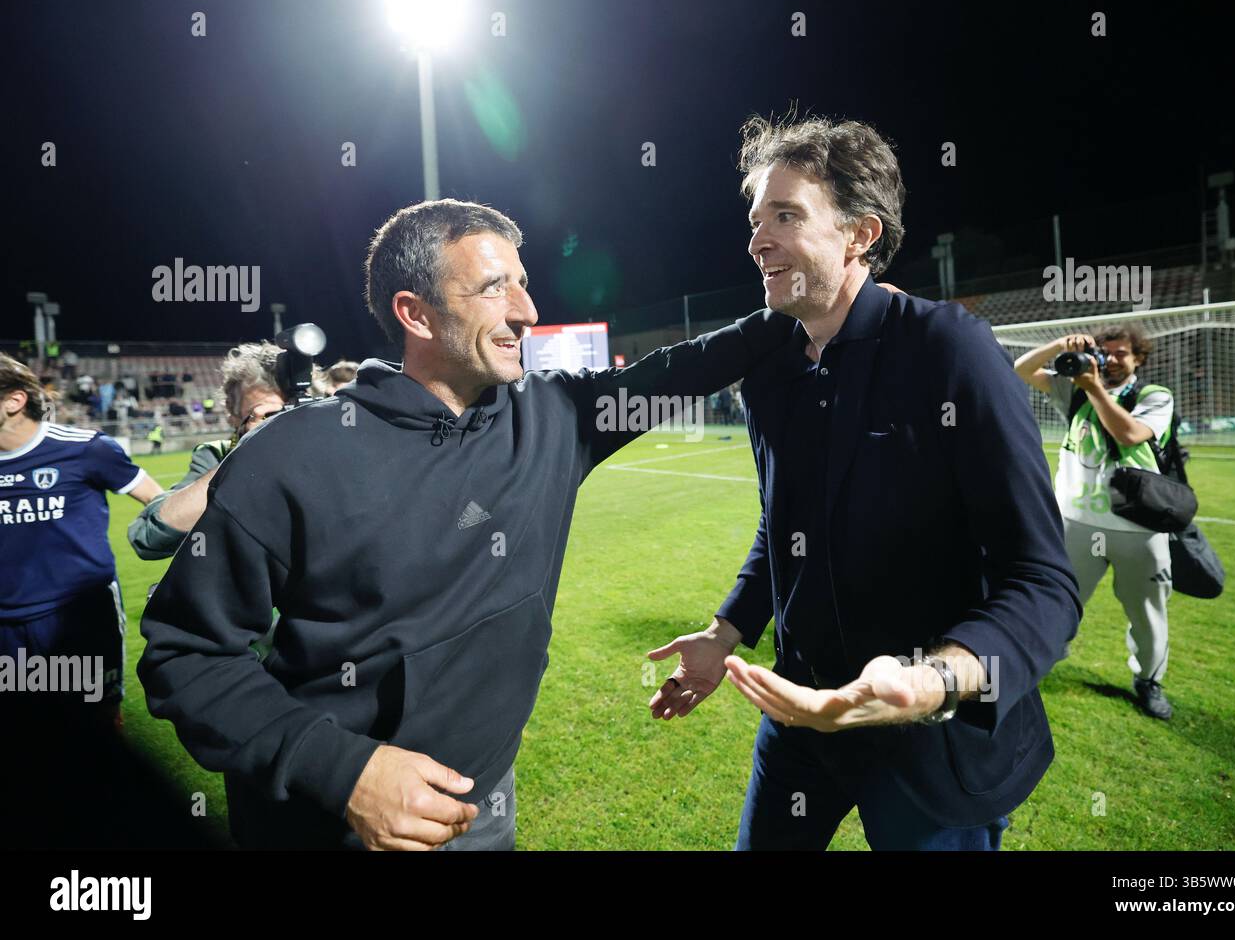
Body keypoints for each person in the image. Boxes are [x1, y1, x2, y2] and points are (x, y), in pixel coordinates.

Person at [137, 198, 794, 850]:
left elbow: (686, 369)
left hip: (484, 809)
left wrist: (813, 304)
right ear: (414, 313)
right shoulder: (289, 456)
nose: (526, 311)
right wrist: (341, 771)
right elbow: (186, 653)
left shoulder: (557, 415)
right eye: (492, 287)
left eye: (523, 284)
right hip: (326, 822)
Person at [646, 115, 1080, 850]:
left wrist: (929, 681)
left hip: (924, 738)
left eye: (787, 215)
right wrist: (726, 632)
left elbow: (1043, 583)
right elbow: (783, 529)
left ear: (860, 234)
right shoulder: (773, 371)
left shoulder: (949, 350)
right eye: (757, 220)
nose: (759, 240)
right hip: (798, 724)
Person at [0, 353, 165, 843]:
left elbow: (158, 504)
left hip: (76, 617)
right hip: (6, 625)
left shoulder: (86, 449)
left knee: (97, 726)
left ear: (14, 400)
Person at [1013, 326, 1175, 719]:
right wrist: (1061, 346)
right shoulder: (1074, 389)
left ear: (1139, 359)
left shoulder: (1153, 396)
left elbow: (1131, 433)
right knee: (1057, 602)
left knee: (1147, 613)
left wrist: (1094, 387)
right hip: (1075, 523)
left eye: (1124, 353)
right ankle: (1043, 660)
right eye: (1107, 352)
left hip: (1138, 528)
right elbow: (1019, 370)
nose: (1114, 358)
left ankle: (1148, 680)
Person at [128, 342, 289, 560]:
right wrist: (248, 451)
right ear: (232, 416)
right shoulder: (217, 455)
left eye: (292, 409)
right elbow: (149, 538)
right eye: (269, 416)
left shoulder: (332, 447)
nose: (285, 422)